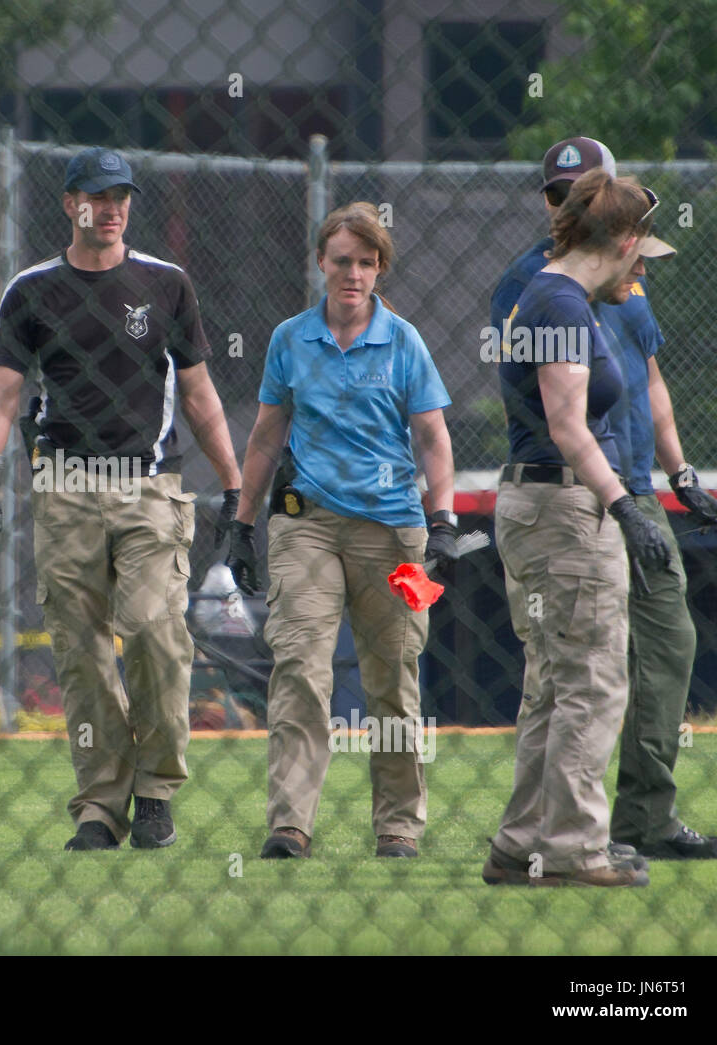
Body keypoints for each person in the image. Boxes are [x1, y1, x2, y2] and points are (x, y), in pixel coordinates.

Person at [0, 147, 242, 851]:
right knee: (80, 655)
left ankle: (155, 788)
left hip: (149, 487)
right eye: (97, 195)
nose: (111, 207)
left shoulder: (166, 284)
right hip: (62, 491)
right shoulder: (31, 290)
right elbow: (1, 392)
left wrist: (237, 487)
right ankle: (99, 803)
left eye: (121, 196)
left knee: (153, 630)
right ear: (69, 203)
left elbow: (202, 395)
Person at [489, 137, 717, 865]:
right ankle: (575, 848)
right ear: (622, 240)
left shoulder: (576, 292)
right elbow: (567, 425)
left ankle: (523, 843)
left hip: (575, 497)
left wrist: (677, 473)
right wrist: (624, 504)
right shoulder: (553, 295)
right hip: (572, 501)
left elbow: (642, 383)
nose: (642, 266)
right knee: (590, 683)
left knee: (562, 683)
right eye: (640, 252)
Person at [224, 202, 457, 861]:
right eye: (341, 260)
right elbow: (267, 434)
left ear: (379, 268)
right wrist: (242, 524)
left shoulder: (404, 340)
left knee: (392, 676)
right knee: (299, 665)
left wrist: (442, 521)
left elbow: (433, 437)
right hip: (308, 526)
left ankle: (398, 826)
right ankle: (290, 824)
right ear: (320, 263)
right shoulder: (290, 339)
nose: (352, 272)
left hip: (394, 529)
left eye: (365, 261)